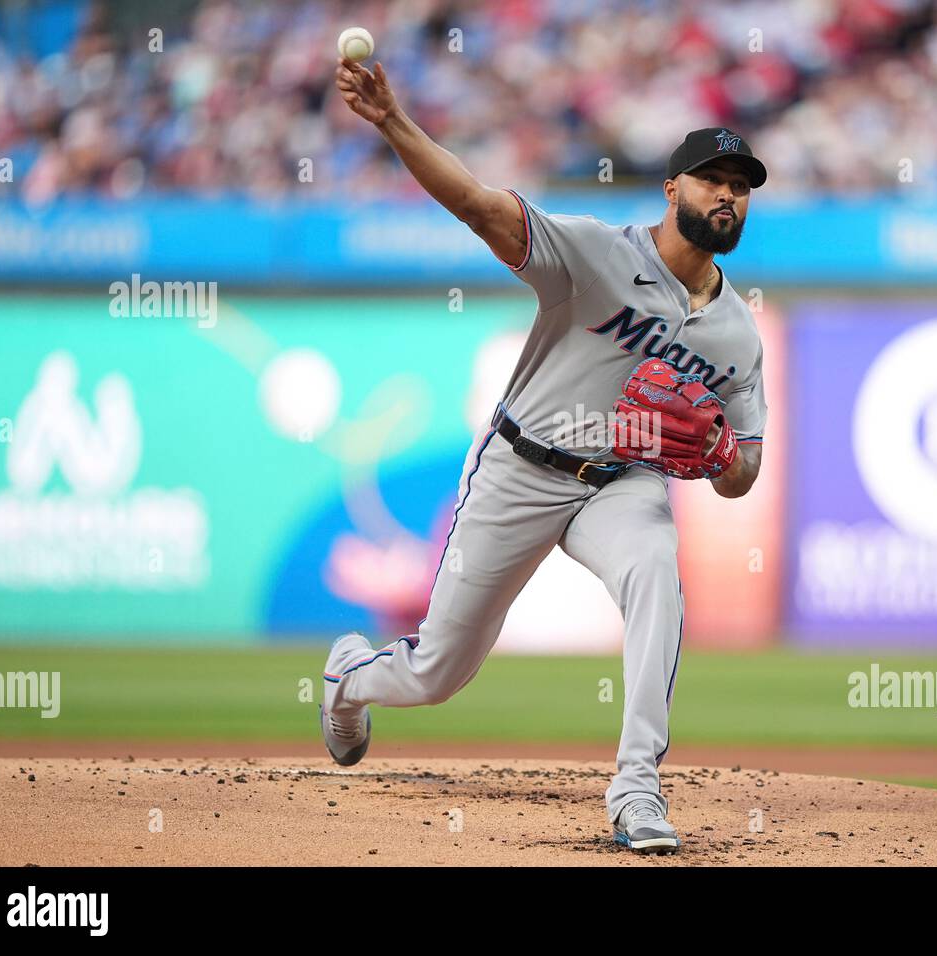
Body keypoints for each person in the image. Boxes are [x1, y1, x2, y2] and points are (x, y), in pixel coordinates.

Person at [320, 55, 768, 854]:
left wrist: (724, 453)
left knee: (656, 575)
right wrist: (391, 120)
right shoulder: (594, 253)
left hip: (621, 485)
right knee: (438, 674)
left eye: (740, 184)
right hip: (521, 467)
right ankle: (350, 679)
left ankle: (637, 788)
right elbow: (474, 203)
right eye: (712, 179)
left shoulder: (737, 331)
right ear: (673, 190)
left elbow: (744, 474)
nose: (727, 194)